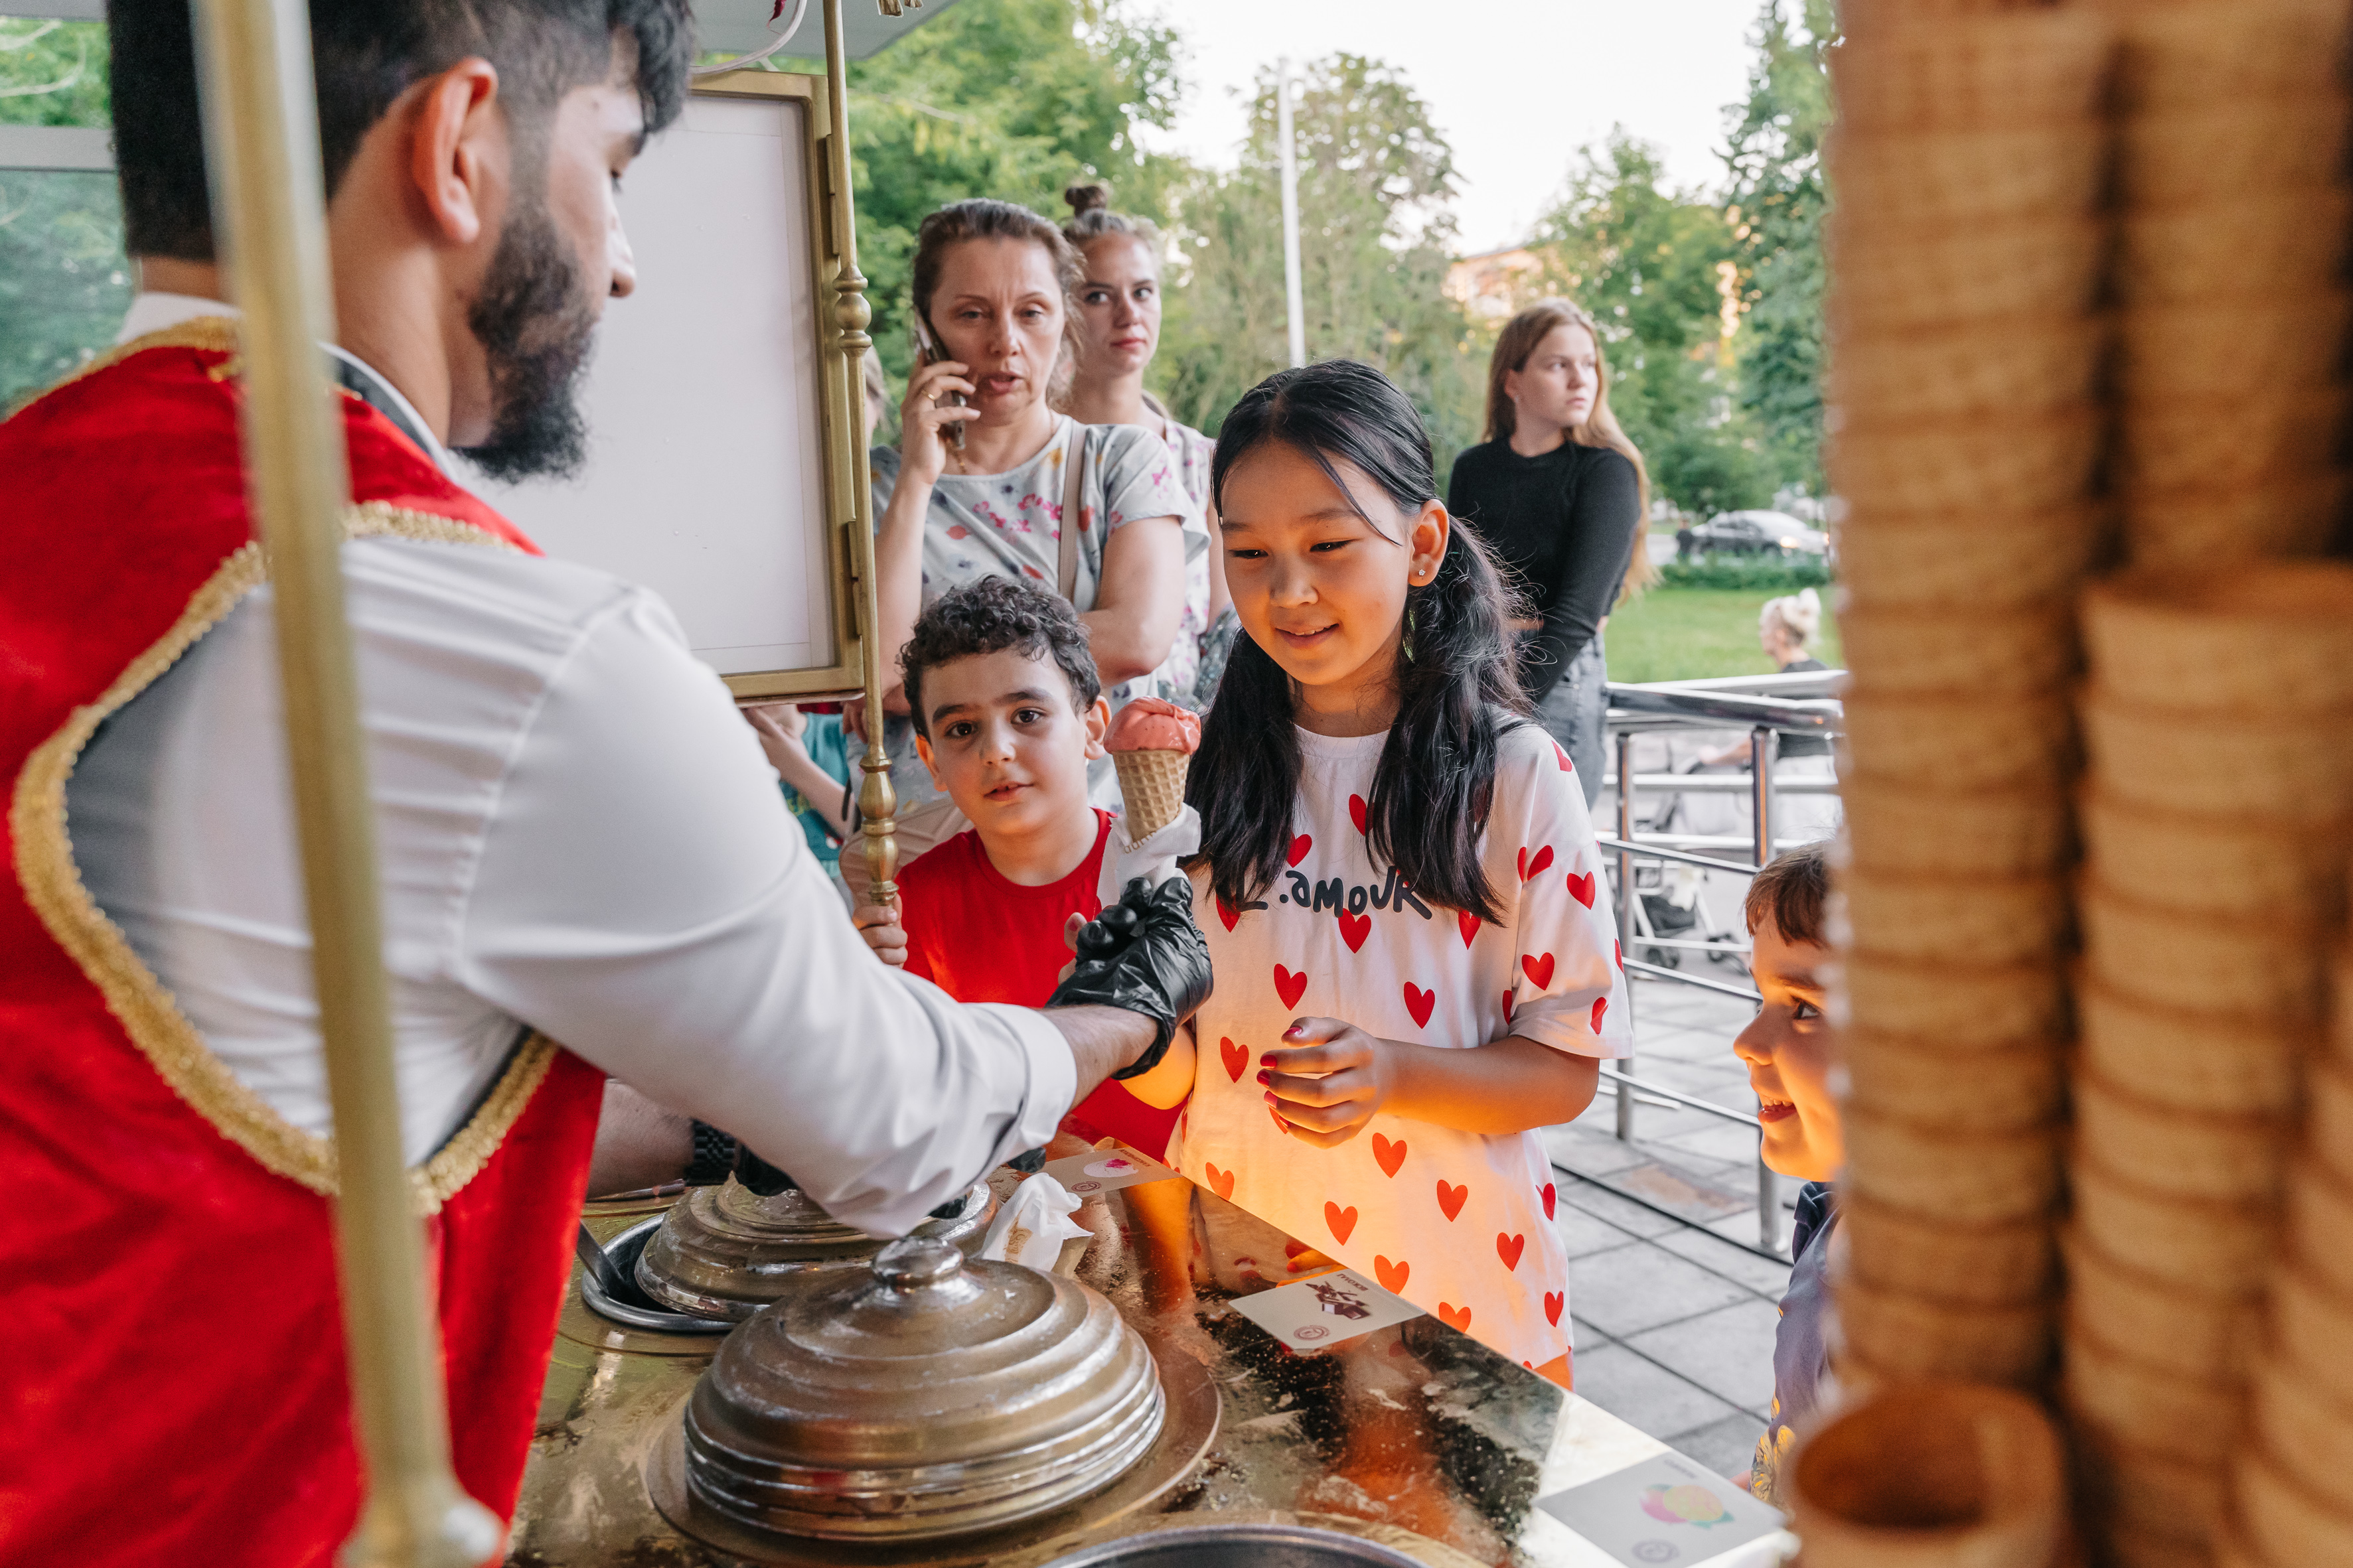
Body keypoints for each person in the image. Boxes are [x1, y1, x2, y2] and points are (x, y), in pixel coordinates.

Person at [0, 5, 1209, 1561]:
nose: (623, 258)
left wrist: (716, 1115)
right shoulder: (494, 642)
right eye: (615, 166)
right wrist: (1119, 1004)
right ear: (457, 149)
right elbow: (895, 1121)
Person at [1120, 360, 1632, 1386]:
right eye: (1249, 550)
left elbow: (1566, 1067)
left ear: (1422, 544)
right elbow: (1189, 1073)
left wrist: (1395, 1073)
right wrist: (1130, 1019)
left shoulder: (1516, 774)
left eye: (1329, 545)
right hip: (1251, 1287)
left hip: (1460, 1304)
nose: (1288, 589)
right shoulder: (1202, 775)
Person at [855, 198, 1197, 895]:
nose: (1004, 341)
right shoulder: (881, 484)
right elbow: (880, 676)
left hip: (1104, 850)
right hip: (940, 853)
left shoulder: (1119, 460)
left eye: (1032, 312)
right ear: (927, 327)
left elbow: (1137, 635)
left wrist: (940, 672)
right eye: (972, 313)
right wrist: (920, 476)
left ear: (1062, 323)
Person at [852, 577, 1183, 1158]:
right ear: (929, 759)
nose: (995, 749)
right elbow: (925, 1091)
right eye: (961, 729)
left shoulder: (1157, 881)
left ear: (1092, 727)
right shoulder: (913, 904)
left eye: (1027, 714)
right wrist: (871, 997)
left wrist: (1114, 1006)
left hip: (1162, 1198)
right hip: (1004, 1206)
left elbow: (1175, 1087)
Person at [1446, 298, 1652, 808]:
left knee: (1545, 860)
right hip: (1473, 664)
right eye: (1559, 365)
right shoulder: (1474, 468)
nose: (1581, 380)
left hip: (1559, 674)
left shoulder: (1605, 472)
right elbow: (1452, 584)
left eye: (1588, 365)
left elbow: (1579, 615)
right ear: (1512, 381)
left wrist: (1507, 706)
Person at [1057, 181, 1237, 707]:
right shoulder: (1032, 453)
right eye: (1097, 295)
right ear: (1060, 307)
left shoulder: (1202, 460)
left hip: (1182, 753)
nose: (1127, 314)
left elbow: (1223, 632)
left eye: (1142, 291)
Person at [1730, 842, 1843, 1508]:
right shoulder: (1831, 1212)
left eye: (1804, 1006)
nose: (1746, 1040)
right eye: (1761, 996)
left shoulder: (1896, 1303)